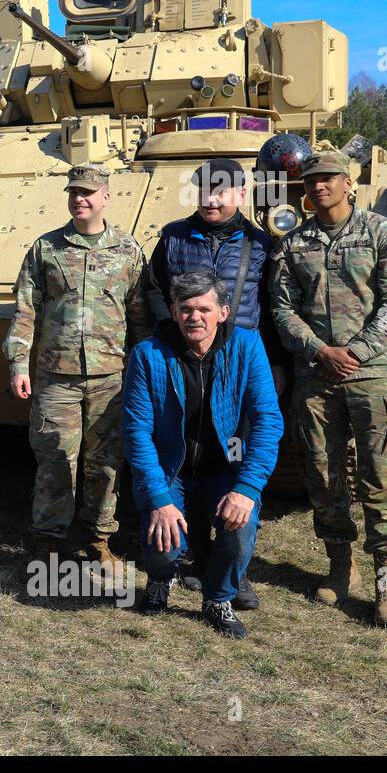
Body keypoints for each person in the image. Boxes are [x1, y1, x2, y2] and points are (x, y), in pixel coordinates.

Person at [267, 149, 387, 626]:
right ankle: (340, 568)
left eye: (329, 178)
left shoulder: (384, 235)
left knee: (381, 478)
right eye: (311, 180)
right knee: (324, 476)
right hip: (317, 377)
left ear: (348, 182)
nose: (319, 186)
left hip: (374, 375)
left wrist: (354, 352)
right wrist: (320, 351)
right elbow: (281, 310)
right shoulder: (292, 245)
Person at [140, 157, 288, 609]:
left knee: (233, 457)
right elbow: (152, 289)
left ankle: (228, 568)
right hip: (183, 357)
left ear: (241, 195)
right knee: (184, 449)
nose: (212, 198)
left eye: (222, 190)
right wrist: (175, 332)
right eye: (205, 189)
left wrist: (278, 365)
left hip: (241, 367)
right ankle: (193, 555)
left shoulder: (261, 244)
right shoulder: (174, 237)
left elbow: (274, 304)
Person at [4, 163, 151, 569]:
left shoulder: (128, 251)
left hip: (111, 378)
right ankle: (49, 540)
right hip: (57, 378)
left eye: (87, 192)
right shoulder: (46, 249)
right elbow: (25, 311)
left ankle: (97, 538)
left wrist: (143, 373)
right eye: (73, 192)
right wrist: (19, 364)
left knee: (105, 463)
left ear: (105, 196)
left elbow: (139, 317)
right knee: (54, 461)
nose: (79, 199)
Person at [122, 271, 283, 639]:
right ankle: (161, 579)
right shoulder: (148, 354)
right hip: (170, 469)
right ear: (175, 312)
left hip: (226, 465)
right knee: (163, 540)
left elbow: (267, 421)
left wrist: (247, 488)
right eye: (186, 309)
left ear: (223, 312)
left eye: (204, 309)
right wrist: (160, 499)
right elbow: (136, 433)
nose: (195, 317)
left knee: (241, 525)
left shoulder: (247, 346)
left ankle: (219, 598)